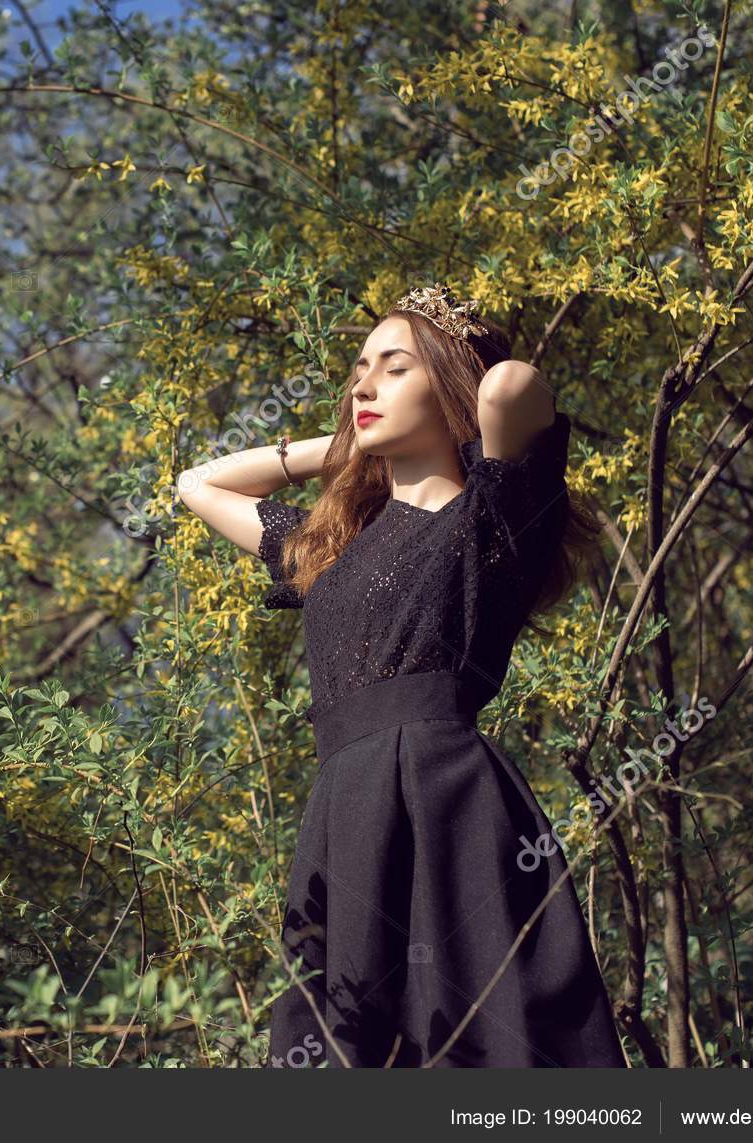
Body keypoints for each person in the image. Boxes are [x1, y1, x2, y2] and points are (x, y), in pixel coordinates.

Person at [177, 285, 624, 1068]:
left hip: (445, 799)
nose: (362, 385)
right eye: (357, 370)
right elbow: (200, 485)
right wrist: (348, 443)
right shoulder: (330, 548)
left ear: (451, 384)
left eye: (394, 366)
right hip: (344, 811)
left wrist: (458, 386)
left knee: (476, 1034)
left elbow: (511, 386)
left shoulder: (495, 516)